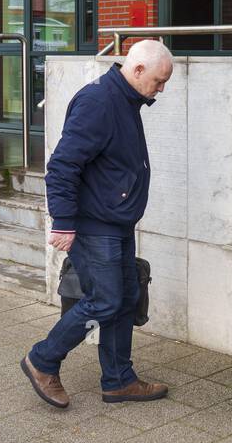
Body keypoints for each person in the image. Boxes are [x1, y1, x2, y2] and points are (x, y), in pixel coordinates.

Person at [21, 39, 174, 408]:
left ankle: (119, 380)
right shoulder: (98, 101)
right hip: (94, 224)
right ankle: (42, 360)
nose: (161, 89)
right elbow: (62, 166)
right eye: (158, 80)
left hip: (116, 221)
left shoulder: (125, 99)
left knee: (124, 299)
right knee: (104, 301)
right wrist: (63, 222)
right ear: (137, 70)